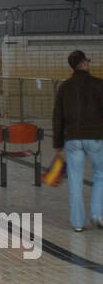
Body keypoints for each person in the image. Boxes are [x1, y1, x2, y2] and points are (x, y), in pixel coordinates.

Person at [52, 49, 103, 231]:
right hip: (96, 138)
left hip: (73, 139)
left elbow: (57, 117)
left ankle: (78, 223)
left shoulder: (64, 87)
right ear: (83, 64)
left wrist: (57, 144)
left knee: (75, 179)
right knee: (100, 175)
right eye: (87, 61)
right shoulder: (98, 84)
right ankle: (97, 215)